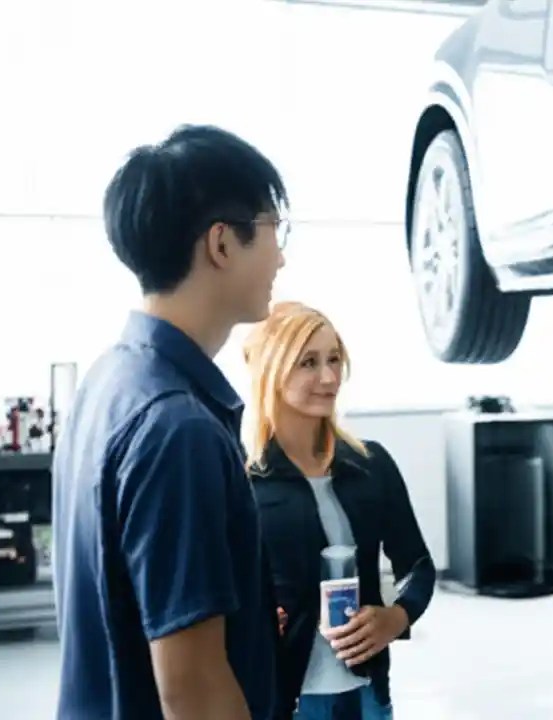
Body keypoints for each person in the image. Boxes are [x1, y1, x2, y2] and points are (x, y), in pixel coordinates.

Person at [52, 125, 289, 719]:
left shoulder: (109, 381)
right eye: (271, 230)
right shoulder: (177, 429)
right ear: (221, 244)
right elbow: (194, 693)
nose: (280, 256)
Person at [242, 301, 436, 720]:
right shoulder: (244, 482)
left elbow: (417, 565)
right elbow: (219, 587)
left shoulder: (372, 464)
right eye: (308, 362)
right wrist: (251, 621)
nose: (329, 377)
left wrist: (396, 618)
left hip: (367, 695)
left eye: (334, 359)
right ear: (272, 372)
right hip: (287, 701)